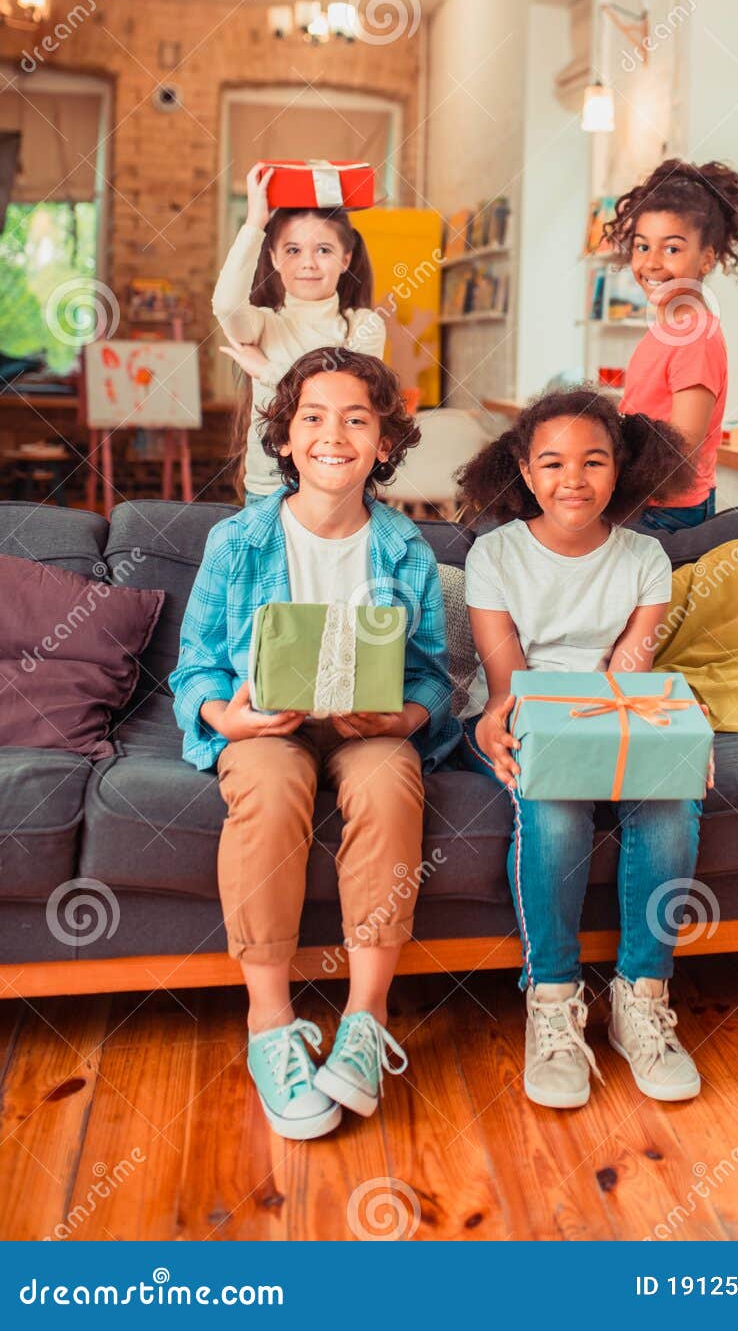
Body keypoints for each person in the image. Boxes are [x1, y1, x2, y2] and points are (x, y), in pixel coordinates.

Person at [171, 347, 457, 1140]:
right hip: (270, 730)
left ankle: (364, 1024)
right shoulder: (238, 541)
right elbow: (193, 667)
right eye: (313, 418)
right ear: (286, 439)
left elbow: (434, 676)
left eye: (357, 420)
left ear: (385, 443)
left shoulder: (406, 548)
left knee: (391, 779)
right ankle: (270, 1027)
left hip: (366, 729)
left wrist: (404, 718)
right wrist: (226, 718)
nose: (335, 435)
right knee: (268, 786)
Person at [454, 388, 713, 1111]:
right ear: (525, 470)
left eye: (593, 461)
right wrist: (553, 734)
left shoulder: (645, 559)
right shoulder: (493, 554)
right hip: (516, 718)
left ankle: (641, 998)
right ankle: (553, 1001)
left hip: (609, 712)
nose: (574, 478)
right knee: (557, 802)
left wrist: (679, 745)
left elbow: (628, 679)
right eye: (553, 462)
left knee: (670, 800)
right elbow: (510, 689)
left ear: (619, 468)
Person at [214, 162, 386, 499]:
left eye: (324, 250)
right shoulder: (264, 323)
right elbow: (225, 306)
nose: (308, 263)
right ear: (275, 258)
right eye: (293, 250)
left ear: (346, 259)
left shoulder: (364, 325)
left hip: (340, 491)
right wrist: (254, 223)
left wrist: (267, 370)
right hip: (267, 489)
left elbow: (340, 402)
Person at [604, 158, 738, 533]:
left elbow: (680, 453)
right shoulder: (665, 329)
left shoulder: (695, 338)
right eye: (642, 247)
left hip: (668, 512)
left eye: (671, 249)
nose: (651, 263)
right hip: (646, 500)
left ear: (706, 259)